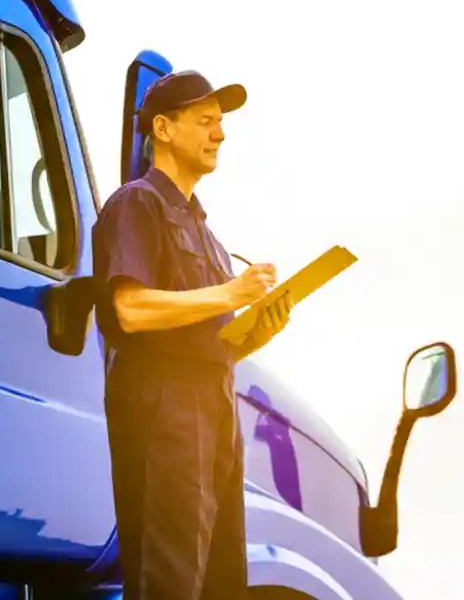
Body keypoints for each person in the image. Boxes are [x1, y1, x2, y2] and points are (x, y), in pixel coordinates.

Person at [92, 69, 295, 599]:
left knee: (221, 584)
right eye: (206, 121)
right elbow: (130, 310)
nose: (220, 135)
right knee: (170, 582)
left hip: (216, 408)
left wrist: (258, 330)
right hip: (164, 410)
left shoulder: (208, 235)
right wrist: (232, 295)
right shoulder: (136, 204)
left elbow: (211, 336)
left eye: (220, 124)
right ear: (163, 128)